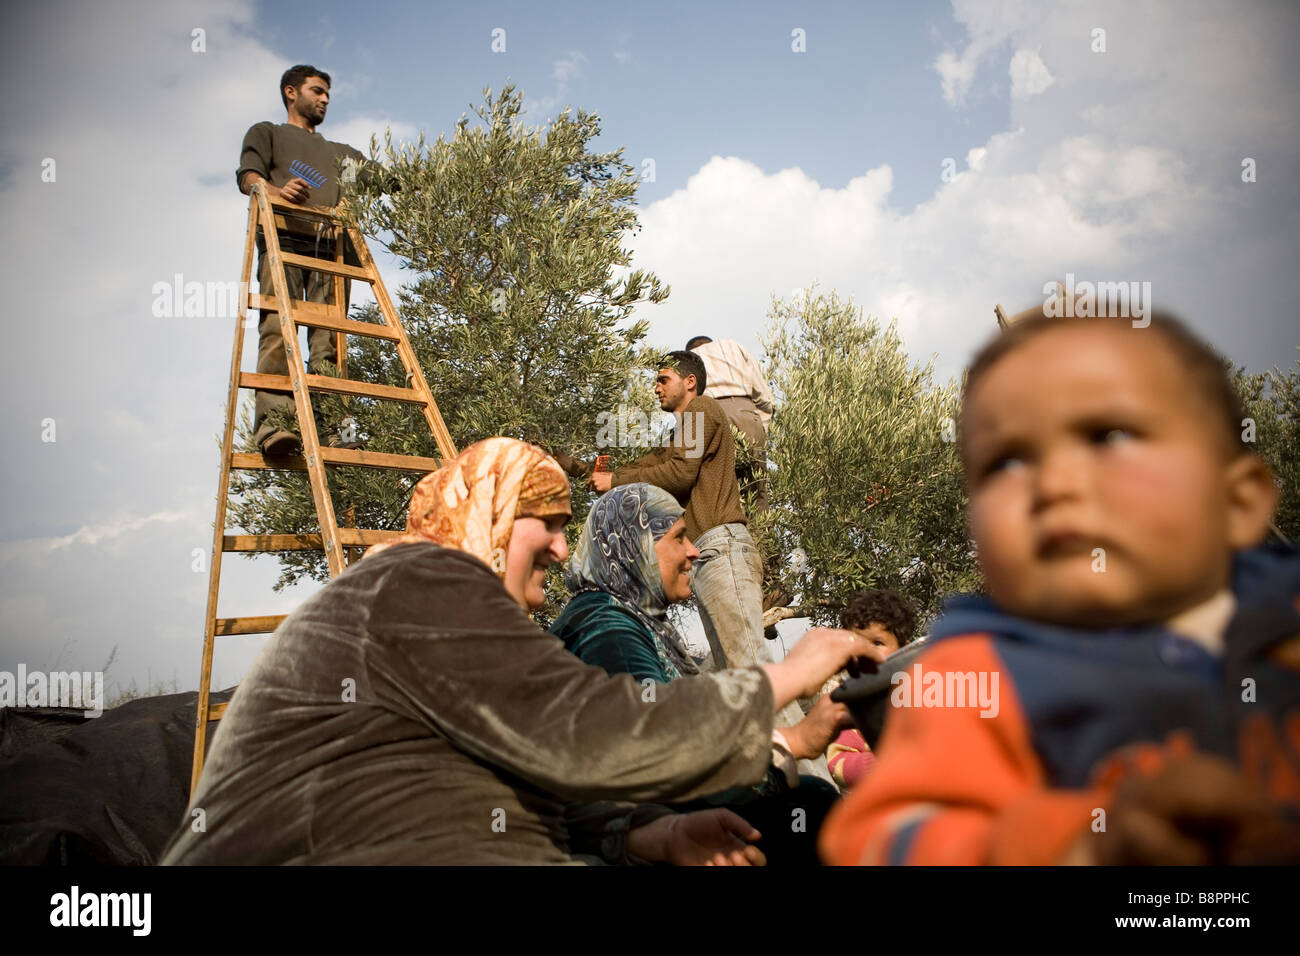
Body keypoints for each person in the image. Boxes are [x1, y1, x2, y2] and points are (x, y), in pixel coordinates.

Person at [162, 437, 868, 865]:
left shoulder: (438, 610)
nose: (564, 550)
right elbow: (593, 733)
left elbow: (537, 773)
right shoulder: (421, 580)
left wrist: (646, 839)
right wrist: (785, 680)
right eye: (550, 526)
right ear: (494, 518)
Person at [820, 312, 1300, 866]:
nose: (1053, 483)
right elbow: (880, 837)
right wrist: (1071, 845)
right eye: (1006, 462)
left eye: (1109, 436)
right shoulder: (975, 678)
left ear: (1238, 502)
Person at [550, 483, 870, 863]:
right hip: (627, 829)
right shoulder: (607, 627)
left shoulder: (626, 618)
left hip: (646, 817)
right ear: (639, 548)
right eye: (679, 537)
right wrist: (787, 747)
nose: (693, 551)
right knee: (811, 807)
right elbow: (661, 745)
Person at [590, 352, 802, 728]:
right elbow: (650, 464)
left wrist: (615, 482)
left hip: (721, 547)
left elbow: (679, 472)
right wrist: (582, 469)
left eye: (663, 379)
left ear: (690, 381)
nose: (655, 387)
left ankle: (811, 779)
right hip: (706, 553)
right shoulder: (682, 430)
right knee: (736, 677)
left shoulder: (702, 409)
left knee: (752, 669)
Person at [237, 65, 381, 456]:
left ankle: (337, 430)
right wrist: (278, 191)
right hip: (283, 242)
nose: (324, 100)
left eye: (328, 95)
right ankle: (276, 429)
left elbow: (388, 179)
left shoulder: (339, 154)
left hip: (331, 252)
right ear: (290, 92)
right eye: (317, 91)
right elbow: (248, 178)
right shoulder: (267, 133)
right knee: (277, 334)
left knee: (330, 343)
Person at [822, 589, 918, 789]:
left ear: (904, 650)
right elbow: (837, 763)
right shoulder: (851, 705)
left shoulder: (922, 695)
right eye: (855, 642)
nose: (864, 651)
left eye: (877, 643)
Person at [685, 336, 775, 513]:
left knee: (716, 492)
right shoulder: (733, 347)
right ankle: (761, 537)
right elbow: (764, 397)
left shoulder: (685, 361)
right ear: (710, 342)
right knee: (757, 490)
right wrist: (759, 431)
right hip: (743, 410)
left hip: (706, 418)